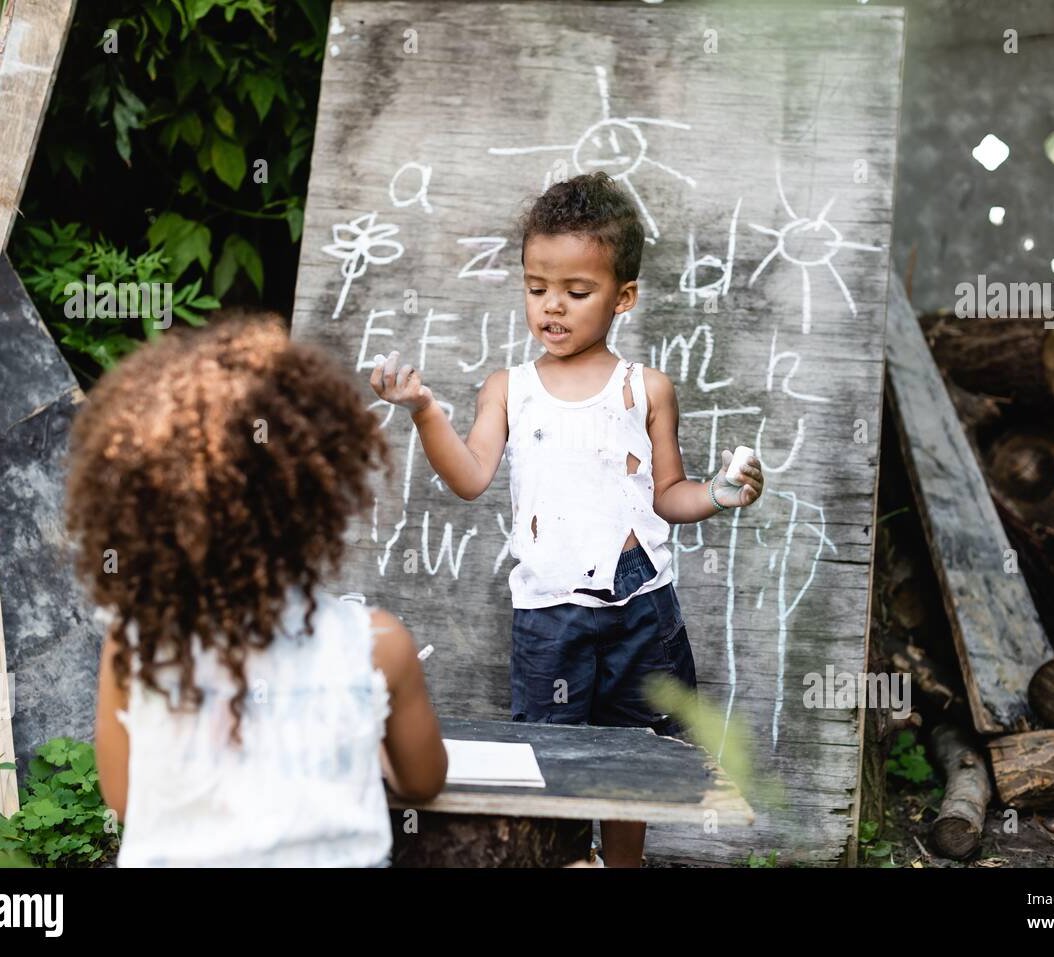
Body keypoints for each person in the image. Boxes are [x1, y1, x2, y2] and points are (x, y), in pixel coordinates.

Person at [369, 171, 763, 866]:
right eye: (536, 287)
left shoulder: (646, 389)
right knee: (550, 765)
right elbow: (468, 478)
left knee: (633, 766)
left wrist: (721, 495)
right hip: (548, 619)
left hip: (642, 612)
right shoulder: (509, 389)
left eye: (577, 293)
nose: (553, 306)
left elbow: (669, 493)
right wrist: (426, 411)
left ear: (624, 297)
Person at [77, 312, 446, 867]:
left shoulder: (136, 646)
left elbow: (129, 801)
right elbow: (422, 783)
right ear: (321, 502)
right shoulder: (376, 644)